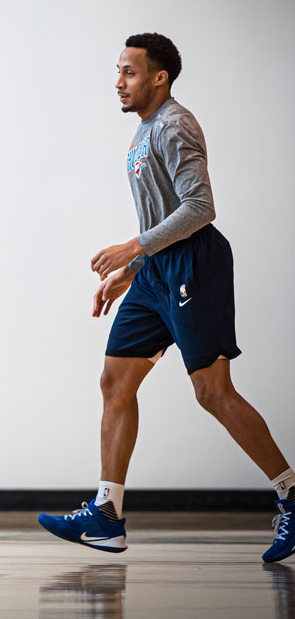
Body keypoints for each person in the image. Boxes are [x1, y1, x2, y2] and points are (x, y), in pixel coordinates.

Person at [38, 33, 294, 564]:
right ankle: (107, 516)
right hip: (155, 270)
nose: (118, 82)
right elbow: (161, 215)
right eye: (118, 71)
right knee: (115, 379)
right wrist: (133, 268)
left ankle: (292, 493)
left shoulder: (175, 124)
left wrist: (135, 247)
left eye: (129, 73)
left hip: (194, 263)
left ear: (160, 77)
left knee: (212, 392)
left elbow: (201, 208)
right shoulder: (142, 133)